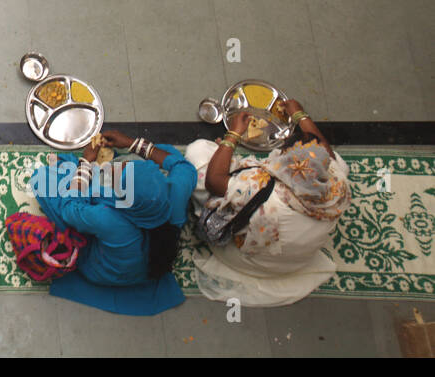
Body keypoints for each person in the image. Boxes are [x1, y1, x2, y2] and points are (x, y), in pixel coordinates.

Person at [185, 104, 350, 307]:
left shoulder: (259, 188)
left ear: (286, 162)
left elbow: (213, 180)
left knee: (198, 152)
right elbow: (324, 151)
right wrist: (299, 114)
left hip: (248, 262)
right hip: (296, 263)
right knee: (339, 162)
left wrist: (233, 134)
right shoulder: (337, 185)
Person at [31, 129, 196, 315]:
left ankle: (81, 172)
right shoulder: (174, 192)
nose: (120, 166)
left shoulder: (109, 218)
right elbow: (183, 167)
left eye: (120, 173)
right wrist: (131, 143)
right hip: (144, 264)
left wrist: (85, 165)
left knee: (45, 180)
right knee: (166, 153)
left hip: (103, 270)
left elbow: (70, 209)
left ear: (123, 200)